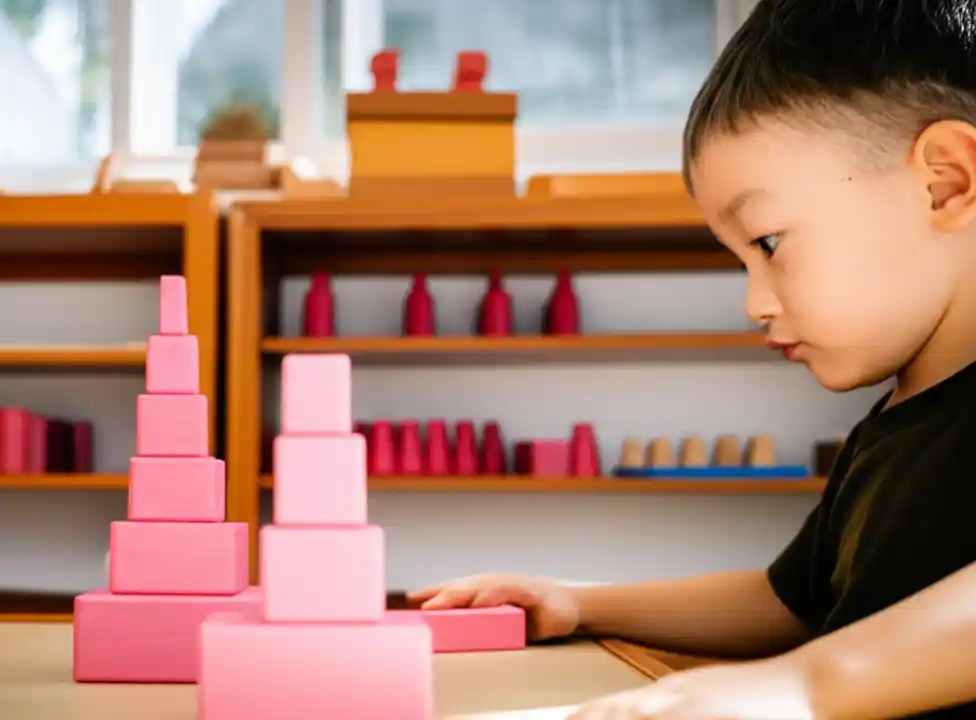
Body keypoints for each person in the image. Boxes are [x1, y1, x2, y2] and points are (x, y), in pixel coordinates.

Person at [409, 1, 976, 717]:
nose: (754, 303)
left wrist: (806, 685)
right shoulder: (885, 431)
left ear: (946, 182)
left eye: (767, 243)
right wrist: (580, 604)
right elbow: (790, 600)